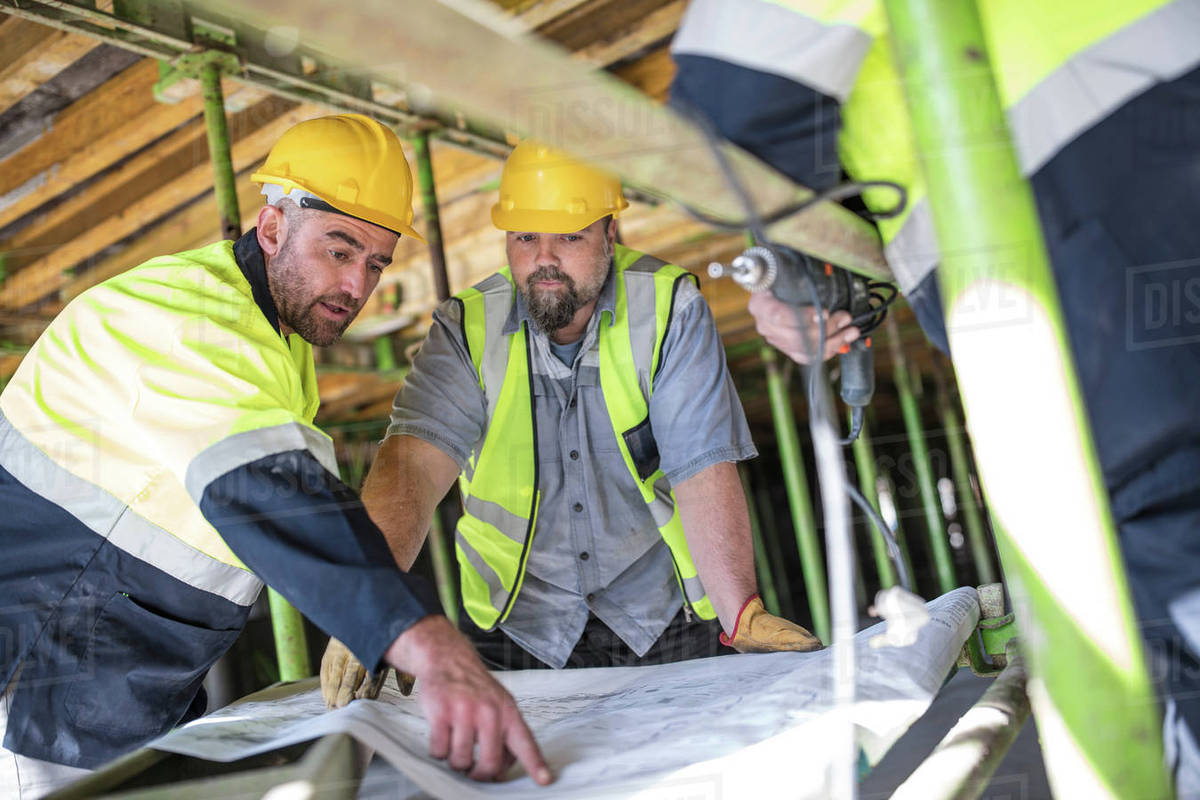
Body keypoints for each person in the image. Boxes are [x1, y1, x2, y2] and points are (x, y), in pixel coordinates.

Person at [670, 0, 1200, 790]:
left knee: (1169, 576)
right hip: (1141, 170)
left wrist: (798, 256)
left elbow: (727, 112)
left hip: (1083, 242)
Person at [0, 113, 550, 798]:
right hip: (33, 691)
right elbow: (268, 489)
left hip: (112, 692)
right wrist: (422, 642)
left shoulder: (279, 343)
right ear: (270, 229)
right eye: (340, 250)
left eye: (376, 263)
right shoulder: (185, 318)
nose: (357, 287)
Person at [321, 141, 822, 701]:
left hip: (659, 612)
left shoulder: (669, 307)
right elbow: (412, 463)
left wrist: (741, 613)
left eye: (570, 236)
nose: (544, 259)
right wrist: (370, 598)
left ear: (610, 234)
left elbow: (699, 463)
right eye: (525, 237)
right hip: (516, 623)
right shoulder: (465, 327)